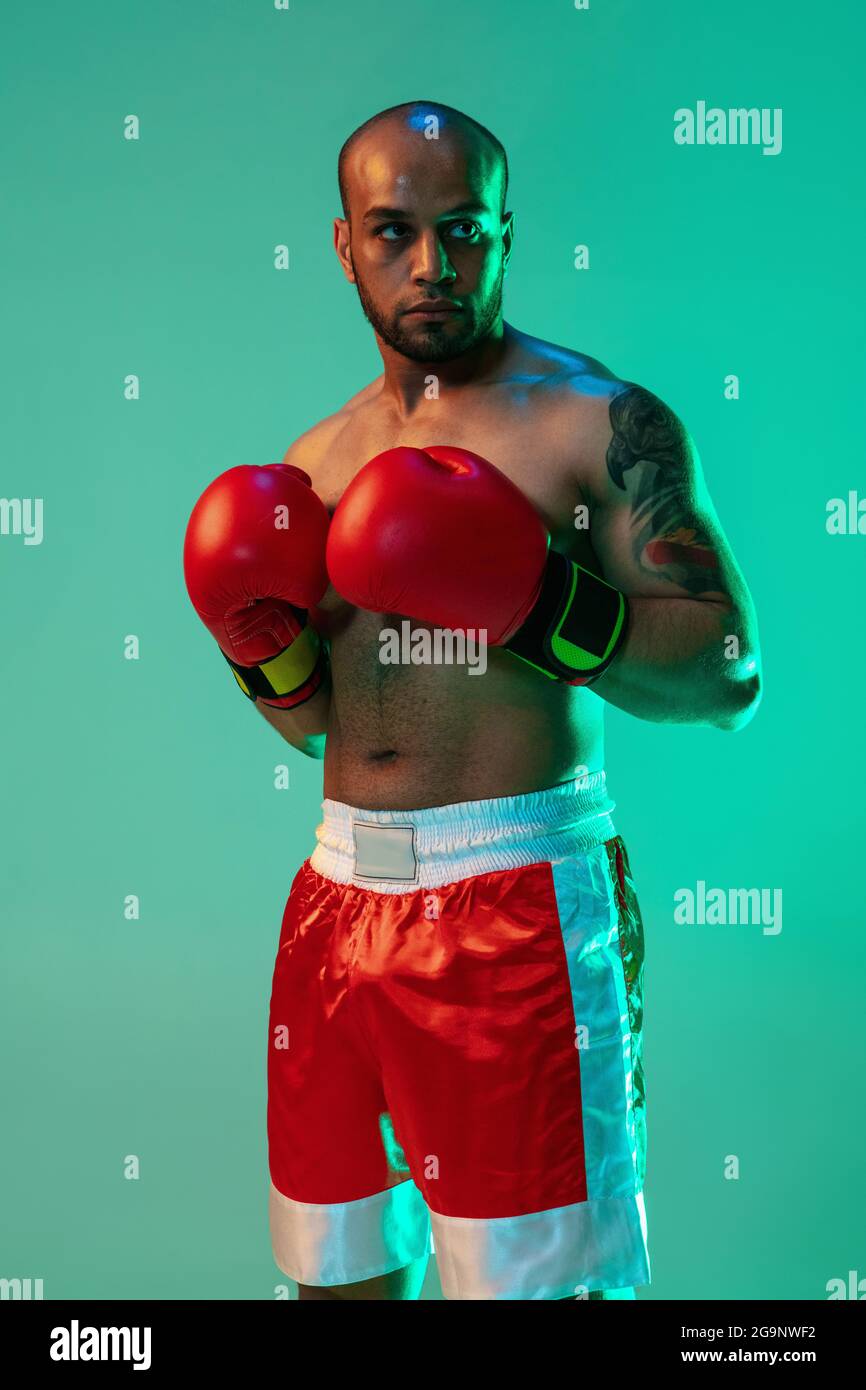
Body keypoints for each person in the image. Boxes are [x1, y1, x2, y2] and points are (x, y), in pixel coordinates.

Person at [183, 101, 761, 1301]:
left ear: (505, 234)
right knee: (336, 1280)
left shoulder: (592, 422)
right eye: (394, 232)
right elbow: (316, 728)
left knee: (534, 1292)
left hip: (513, 909)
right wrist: (261, 647)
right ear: (342, 244)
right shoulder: (316, 458)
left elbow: (724, 675)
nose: (432, 265)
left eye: (464, 231)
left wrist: (533, 601)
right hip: (334, 904)